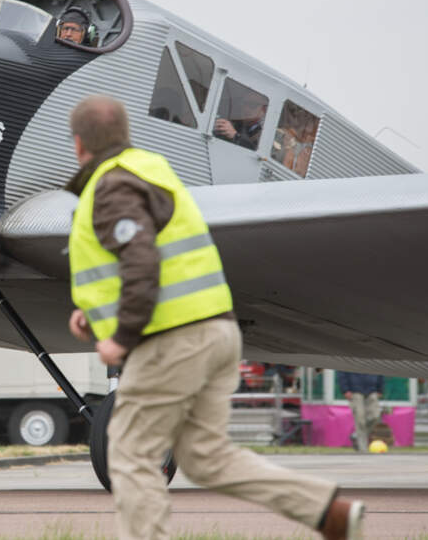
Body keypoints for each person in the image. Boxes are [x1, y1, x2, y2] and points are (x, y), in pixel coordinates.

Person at [64, 95, 363, 540]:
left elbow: (142, 263)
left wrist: (120, 338)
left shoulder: (113, 186)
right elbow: (158, 265)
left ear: (78, 144)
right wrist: (93, 320)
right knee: (206, 457)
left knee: (128, 453)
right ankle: (327, 512)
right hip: (216, 332)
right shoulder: (153, 173)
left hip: (173, 339)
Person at [337, 370, 384, 452]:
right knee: (360, 421)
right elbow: (342, 371)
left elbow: (380, 370)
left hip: (372, 390)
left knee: (375, 416)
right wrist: (345, 389)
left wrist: (380, 389)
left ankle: (356, 435)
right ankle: (363, 450)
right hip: (355, 391)